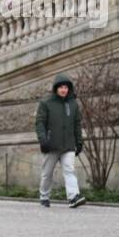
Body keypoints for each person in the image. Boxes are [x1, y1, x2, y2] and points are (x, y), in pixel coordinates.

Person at [35, 72, 86, 208]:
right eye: (61, 87)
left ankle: (73, 197)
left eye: (66, 87)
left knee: (69, 170)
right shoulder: (46, 103)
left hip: (68, 145)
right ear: (56, 88)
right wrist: (43, 139)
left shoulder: (73, 104)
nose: (64, 90)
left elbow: (77, 124)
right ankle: (44, 196)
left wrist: (79, 142)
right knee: (47, 174)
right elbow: (39, 123)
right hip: (51, 145)